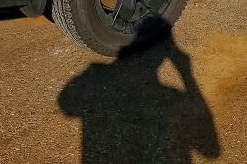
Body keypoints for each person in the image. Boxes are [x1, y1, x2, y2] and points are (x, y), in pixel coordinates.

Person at [58, 27, 220, 164]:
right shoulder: (172, 98)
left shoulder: (97, 78)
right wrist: (186, 74)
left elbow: (66, 104)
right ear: (163, 58)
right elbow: (211, 151)